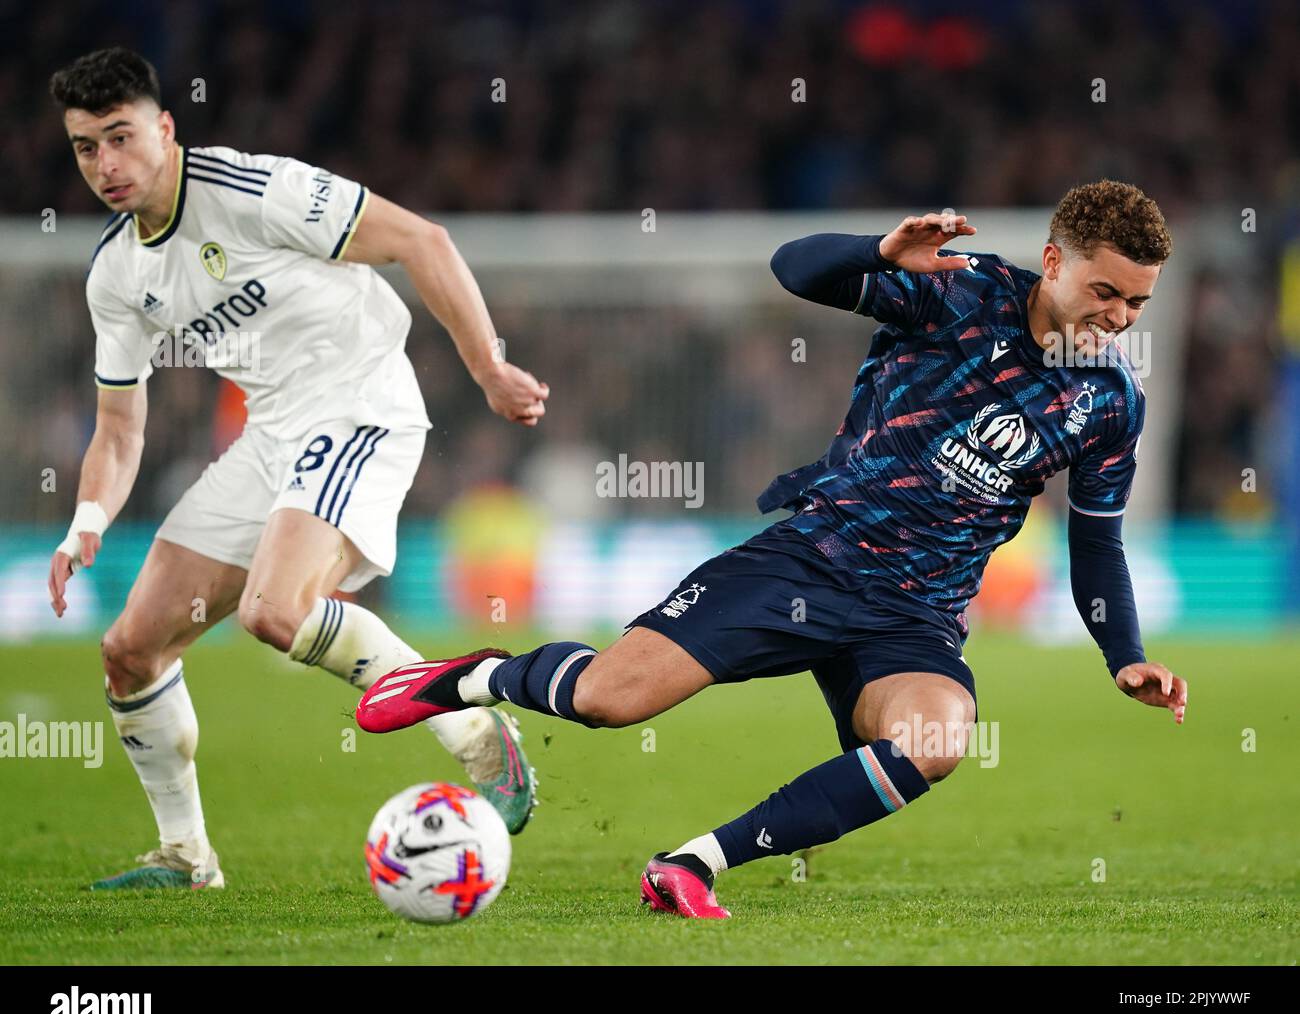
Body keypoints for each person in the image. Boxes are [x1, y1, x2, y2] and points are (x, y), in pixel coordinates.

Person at [355, 182, 1189, 919]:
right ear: (1053, 261)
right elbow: (794, 267)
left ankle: (691, 866)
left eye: (1138, 305)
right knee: (609, 701)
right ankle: (463, 678)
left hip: (916, 615)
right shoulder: (959, 291)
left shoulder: (1110, 401)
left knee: (936, 743)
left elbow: (1097, 544)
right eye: (1105, 291)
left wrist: (1126, 655)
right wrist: (879, 252)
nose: (1117, 318)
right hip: (810, 559)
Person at [46, 47, 549, 890]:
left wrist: (489, 366)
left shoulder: (250, 190)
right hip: (273, 433)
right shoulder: (117, 272)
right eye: (85, 147)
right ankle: (186, 855)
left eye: (121, 138)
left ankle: (472, 726)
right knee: (130, 649)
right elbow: (119, 428)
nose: (106, 165)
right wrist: (87, 519)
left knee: (275, 611)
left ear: (165, 130)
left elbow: (421, 240)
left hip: (361, 402)